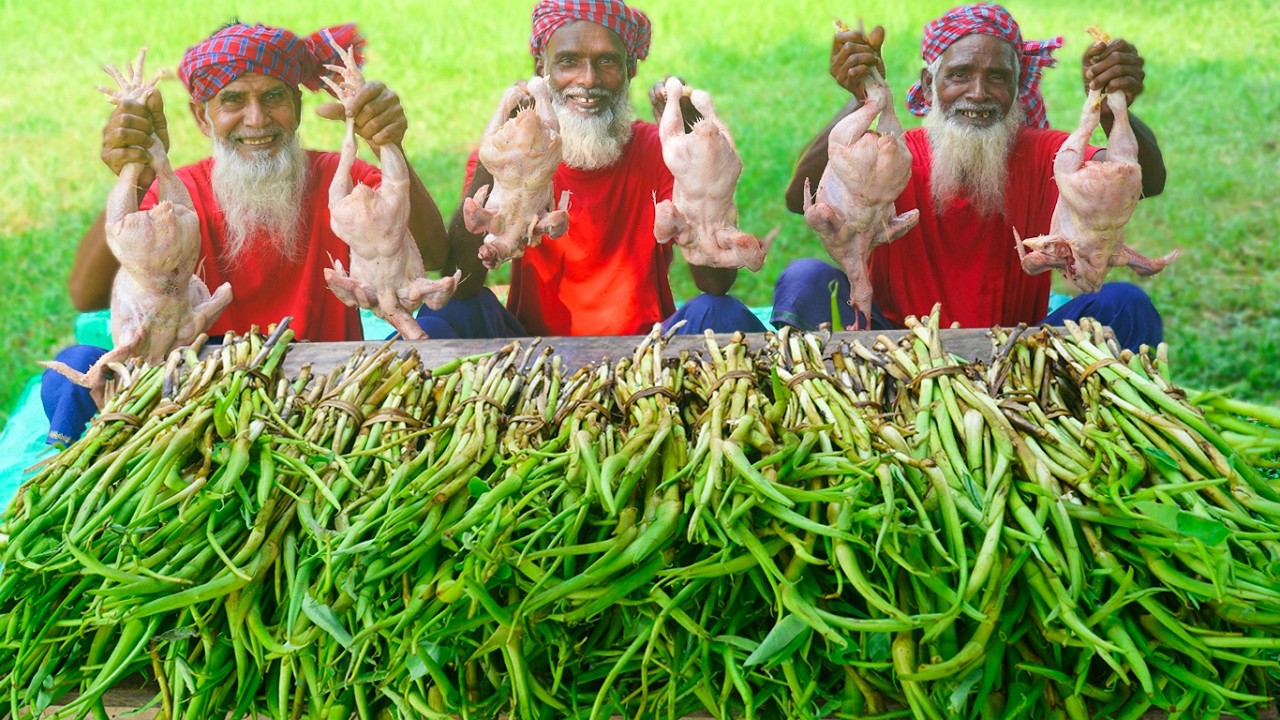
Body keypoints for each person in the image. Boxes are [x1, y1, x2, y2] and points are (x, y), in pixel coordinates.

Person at [43, 21, 454, 445]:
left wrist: (389, 146)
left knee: (442, 333)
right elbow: (85, 297)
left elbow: (435, 255)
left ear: (295, 105)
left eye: (273, 96)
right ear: (203, 116)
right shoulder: (177, 199)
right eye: (233, 100)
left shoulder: (339, 179)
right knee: (75, 366)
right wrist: (135, 178)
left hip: (328, 390)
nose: (256, 119)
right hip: (196, 402)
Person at [774, 3, 1167, 351]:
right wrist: (862, 98)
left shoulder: (1045, 153)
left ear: (1017, 88)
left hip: (1018, 353)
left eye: (998, 77)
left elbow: (1146, 181)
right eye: (960, 74)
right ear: (929, 84)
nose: (978, 93)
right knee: (806, 280)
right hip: (891, 351)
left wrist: (1113, 104)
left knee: (1126, 305)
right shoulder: (889, 156)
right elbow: (799, 200)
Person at [418, 0, 766, 338]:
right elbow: (460, 286)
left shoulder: (660, 150)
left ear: (631, 69)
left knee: (722, 312)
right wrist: (494, 156)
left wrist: (696, 153)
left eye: (607, 62)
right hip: (531, 356)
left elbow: (714, 283)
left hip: (646, 352)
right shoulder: (511, 156)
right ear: (542, 69)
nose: (587, 79)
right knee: (447, 310)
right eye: (568, 61)